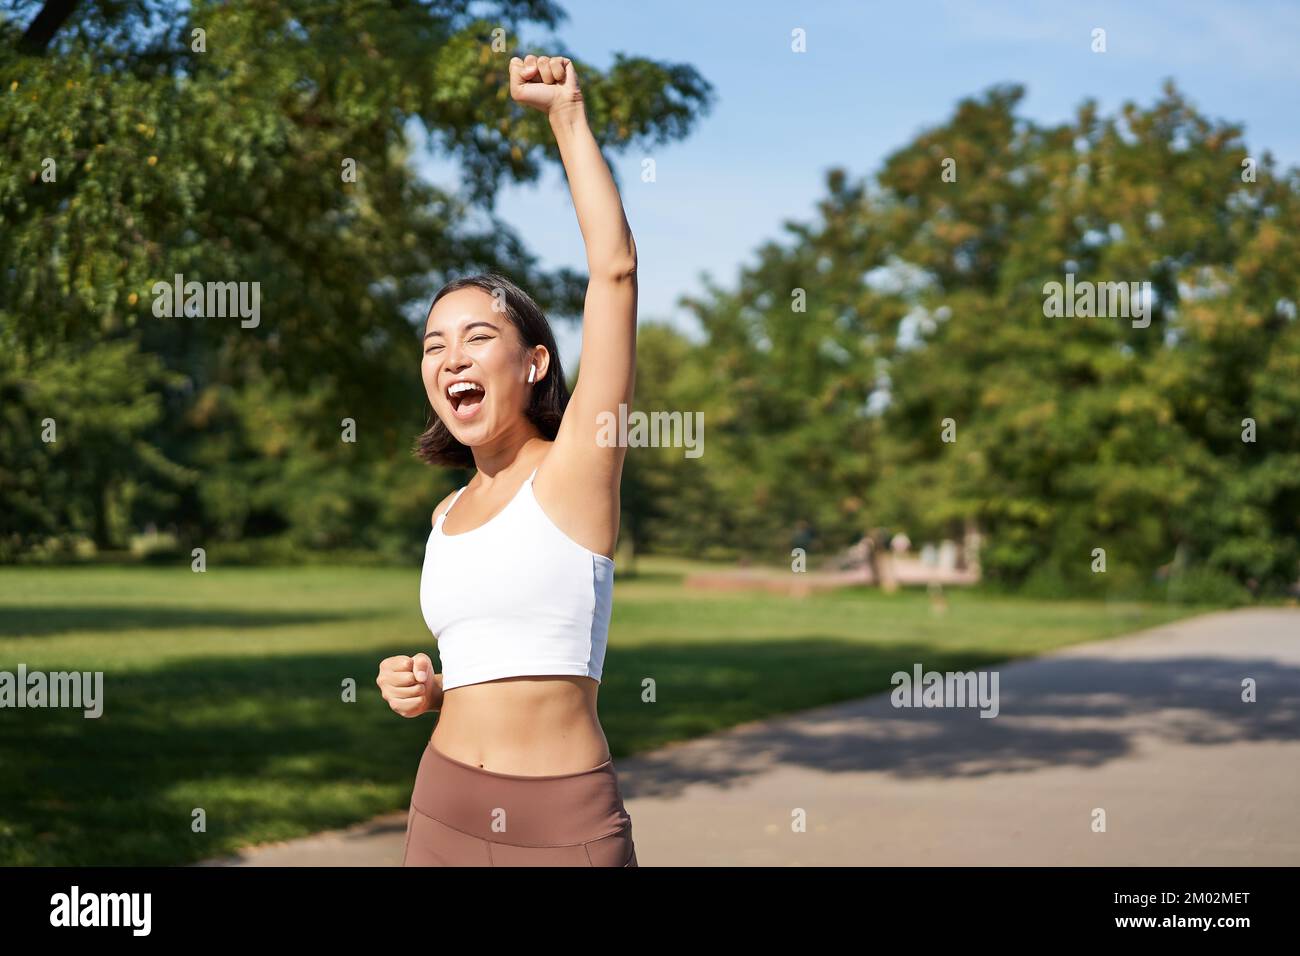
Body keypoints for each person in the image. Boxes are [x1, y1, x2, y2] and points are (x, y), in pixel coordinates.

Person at [375, 53, 639, 866]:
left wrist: (566, 115)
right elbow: (501, 661)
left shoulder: (575, 472)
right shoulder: (444, 515)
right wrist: (425, 688)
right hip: (443, 803)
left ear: (531, 364)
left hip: (562, 824)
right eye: (434, 344)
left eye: (479, 336)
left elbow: (615, 273)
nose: (452, 357)